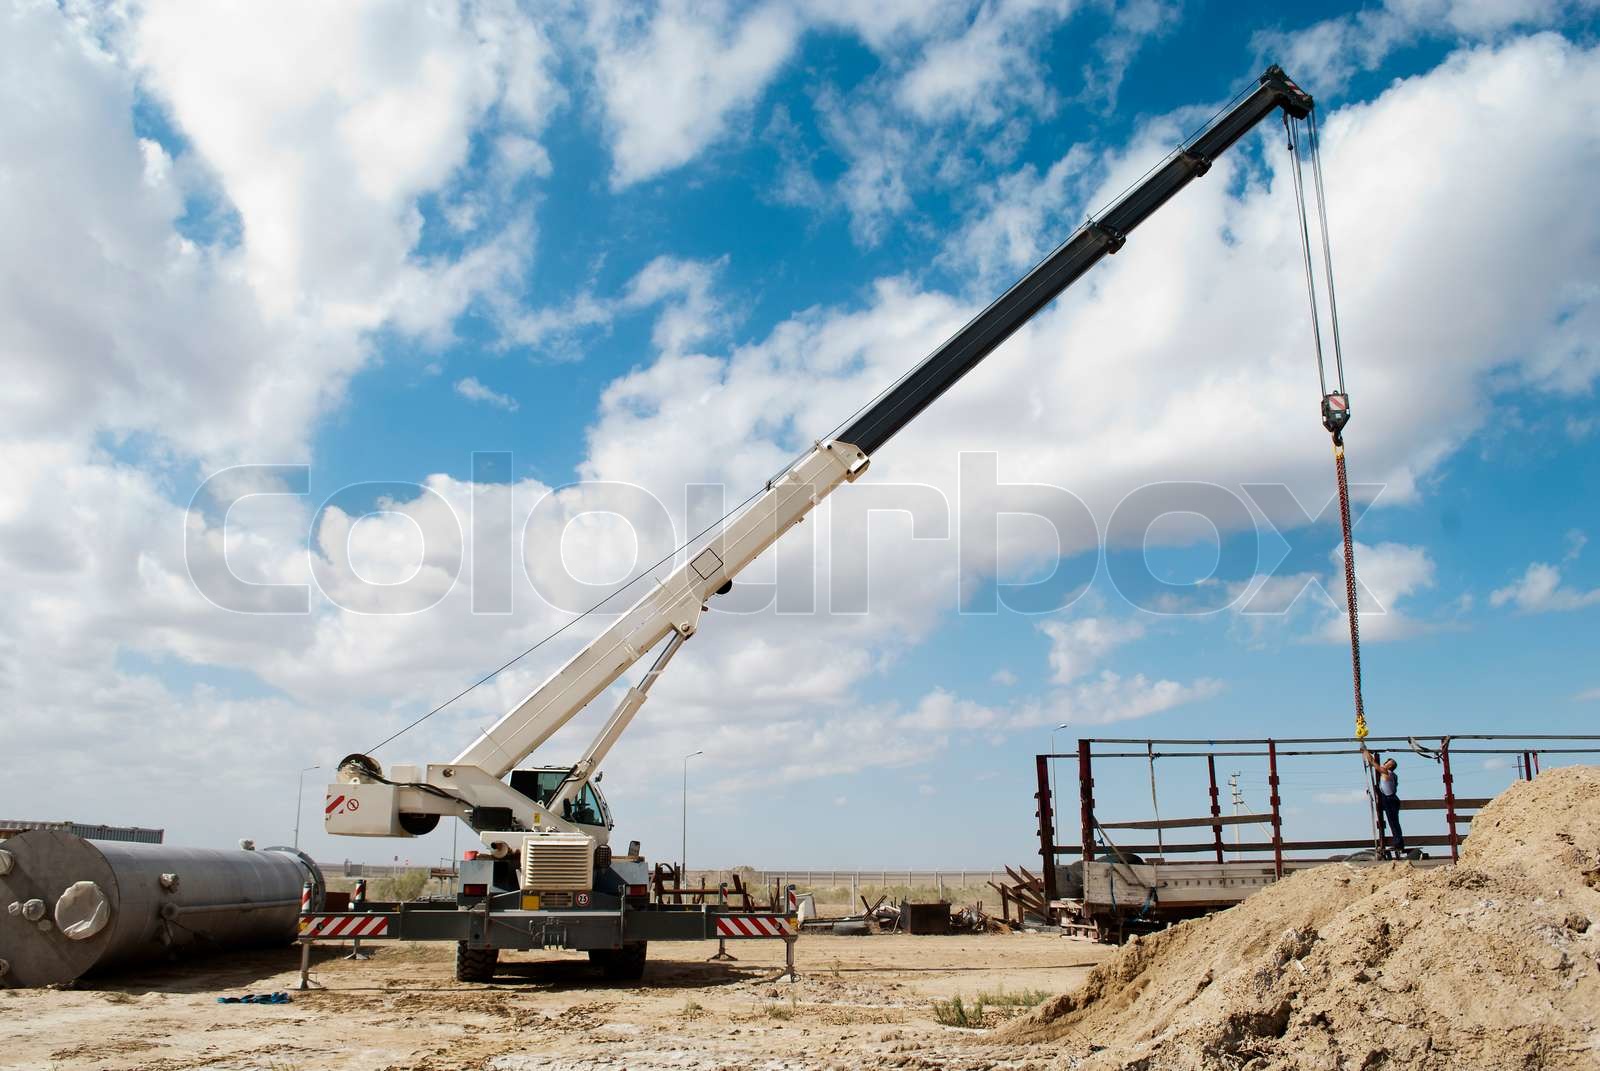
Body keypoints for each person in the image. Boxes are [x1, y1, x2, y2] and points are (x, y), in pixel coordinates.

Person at [1361, 745, 1406, 858]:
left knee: (1393, 822)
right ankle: (1398, 843)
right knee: (1394, 822)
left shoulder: (1386, 772)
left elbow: (1371, 762)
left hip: (1390, 799)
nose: (1387, 764)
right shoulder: (1392, 774)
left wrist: (1364, 750)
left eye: (1389, 763)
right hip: (1391, 799)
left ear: (1390, 766)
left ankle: (1398, 844)